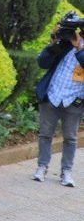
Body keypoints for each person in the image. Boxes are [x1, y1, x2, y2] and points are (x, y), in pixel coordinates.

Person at [32, 19, 84, 187]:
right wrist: (53, 44)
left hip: (74, 101)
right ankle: (42, 167)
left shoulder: (77, 46)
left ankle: (66, 172)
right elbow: (42, 63)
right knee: (45, 134)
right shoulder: (64, 44)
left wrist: (79, 49)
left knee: (70, 138)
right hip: (52, 96)